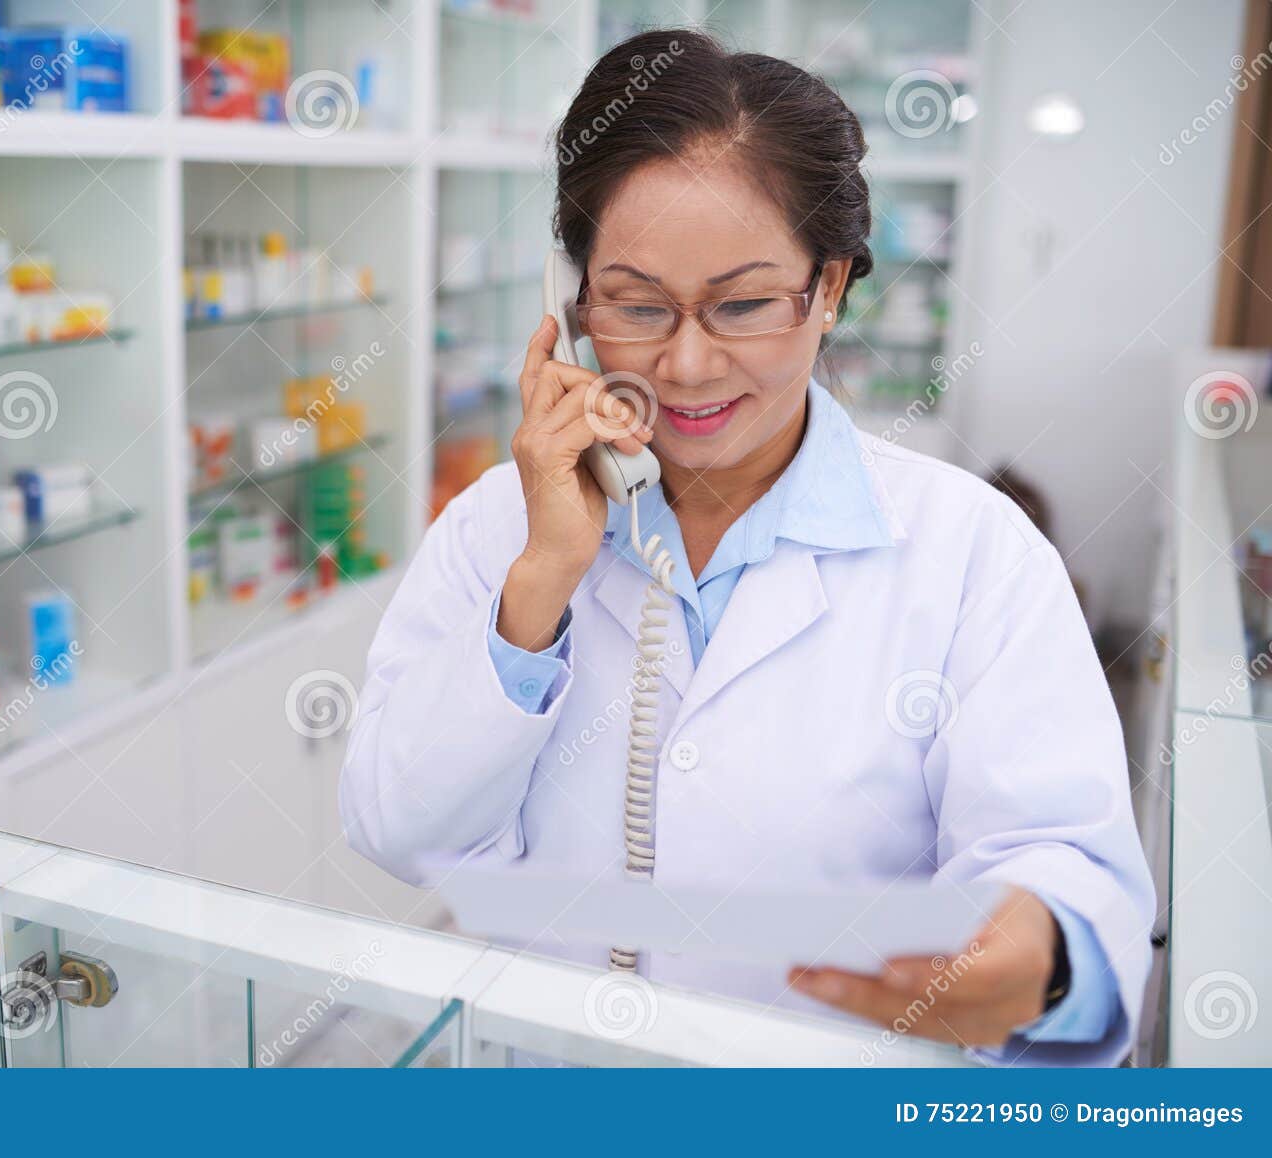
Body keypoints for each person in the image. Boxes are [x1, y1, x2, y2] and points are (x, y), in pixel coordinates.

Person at [339, 28, 1153, 1066]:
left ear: (830, 289)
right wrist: (542, 581)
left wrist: (1043, 955)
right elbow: (397, 829)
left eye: (743, 304)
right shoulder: (501, 531)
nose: (684, 362)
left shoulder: (971, 553)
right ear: (571, 301)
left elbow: (1058, 854)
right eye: (634, 304)